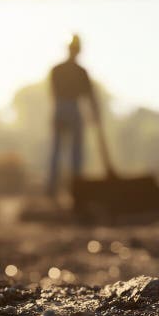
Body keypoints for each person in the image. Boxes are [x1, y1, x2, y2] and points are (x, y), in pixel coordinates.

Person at [46, 34, 100, 198]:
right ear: (78, 51)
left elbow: (53, 93)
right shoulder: (81, 72)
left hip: (60, 108)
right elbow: (90, 96)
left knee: (57, 150)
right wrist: (95, 114)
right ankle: (76, 190)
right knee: (75, 152)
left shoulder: (56, 69)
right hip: (71, 109)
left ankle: (52, 189)